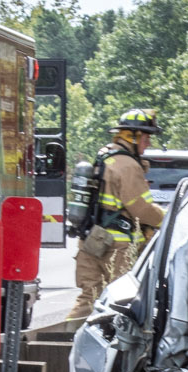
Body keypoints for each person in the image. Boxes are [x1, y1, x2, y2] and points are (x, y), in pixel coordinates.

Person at [66, 108, 165, 321]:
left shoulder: (105, 155)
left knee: (88, 300)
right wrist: (169, 219)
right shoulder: (128, 165)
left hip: (92, 241)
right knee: (120, 303)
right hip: (118, 249)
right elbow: (142, 209)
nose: (148, 143)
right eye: (146, 137)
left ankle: (65, 341)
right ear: (133, 136)